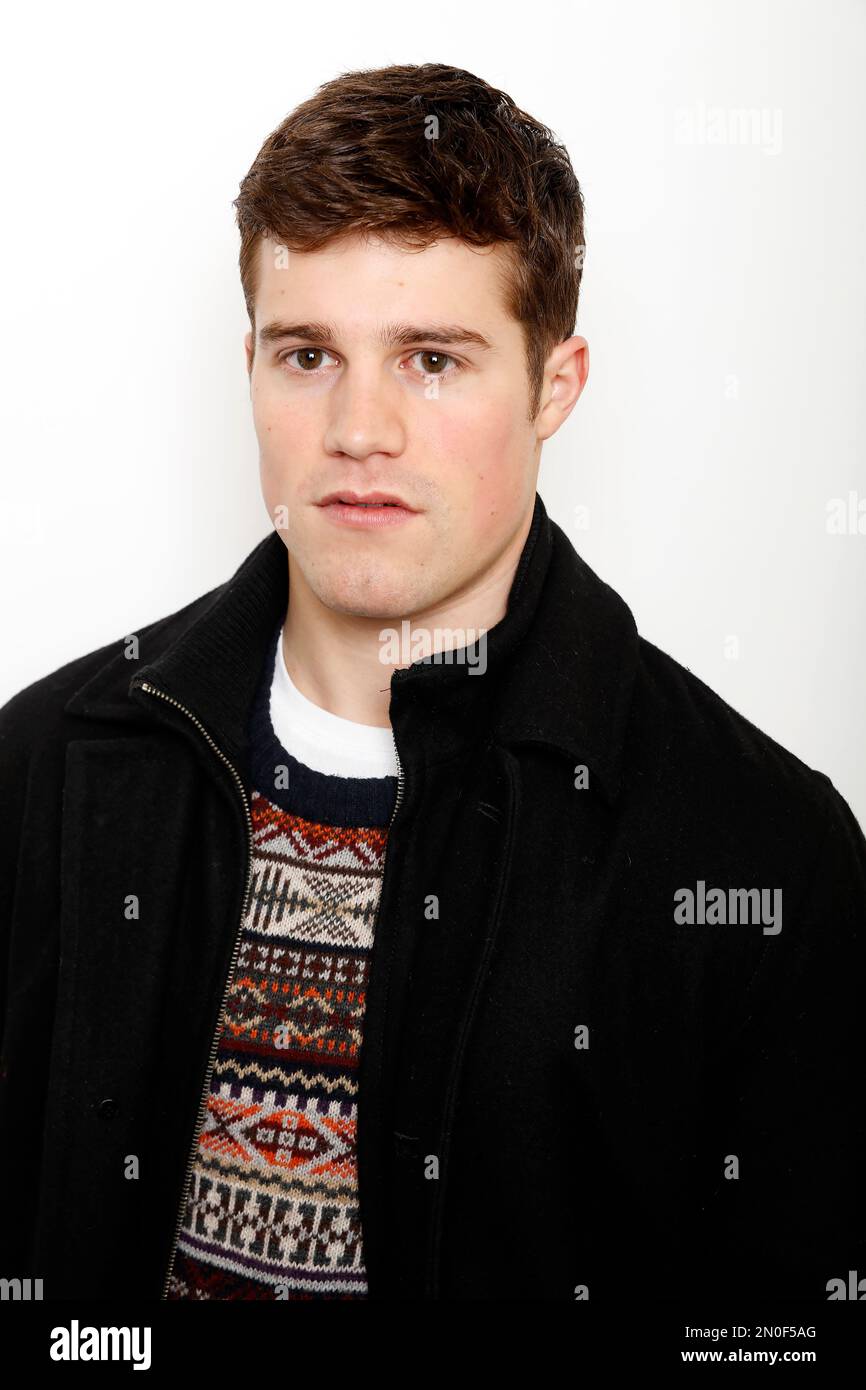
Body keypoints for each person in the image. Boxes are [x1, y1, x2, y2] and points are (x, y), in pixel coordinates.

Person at [1, 61, 863, 1304]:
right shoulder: (46, 765)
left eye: (432, 360)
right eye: (307, 355)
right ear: (246, 364)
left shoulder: (755, 848)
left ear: (552, 386)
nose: (360, 429)